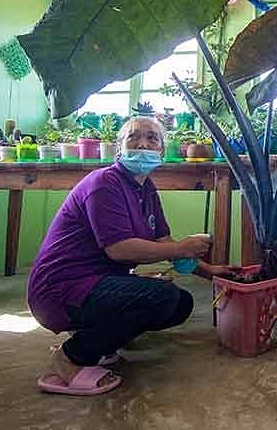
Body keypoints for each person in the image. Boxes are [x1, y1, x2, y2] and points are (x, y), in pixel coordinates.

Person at [28, 116, 237, 396]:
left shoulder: (146, 190)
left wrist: (209, 271)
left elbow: (164, 241)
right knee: (162, 297)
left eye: (152, 138)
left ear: (162, 151)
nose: (143, 143)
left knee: (180, 304)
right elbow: (119, 249)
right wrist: (182, 248)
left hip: (95, 285)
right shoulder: (103, 183)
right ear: (119, 148)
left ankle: (94, 340)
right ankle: (70, 359)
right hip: (60, 289)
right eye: (134, 137)